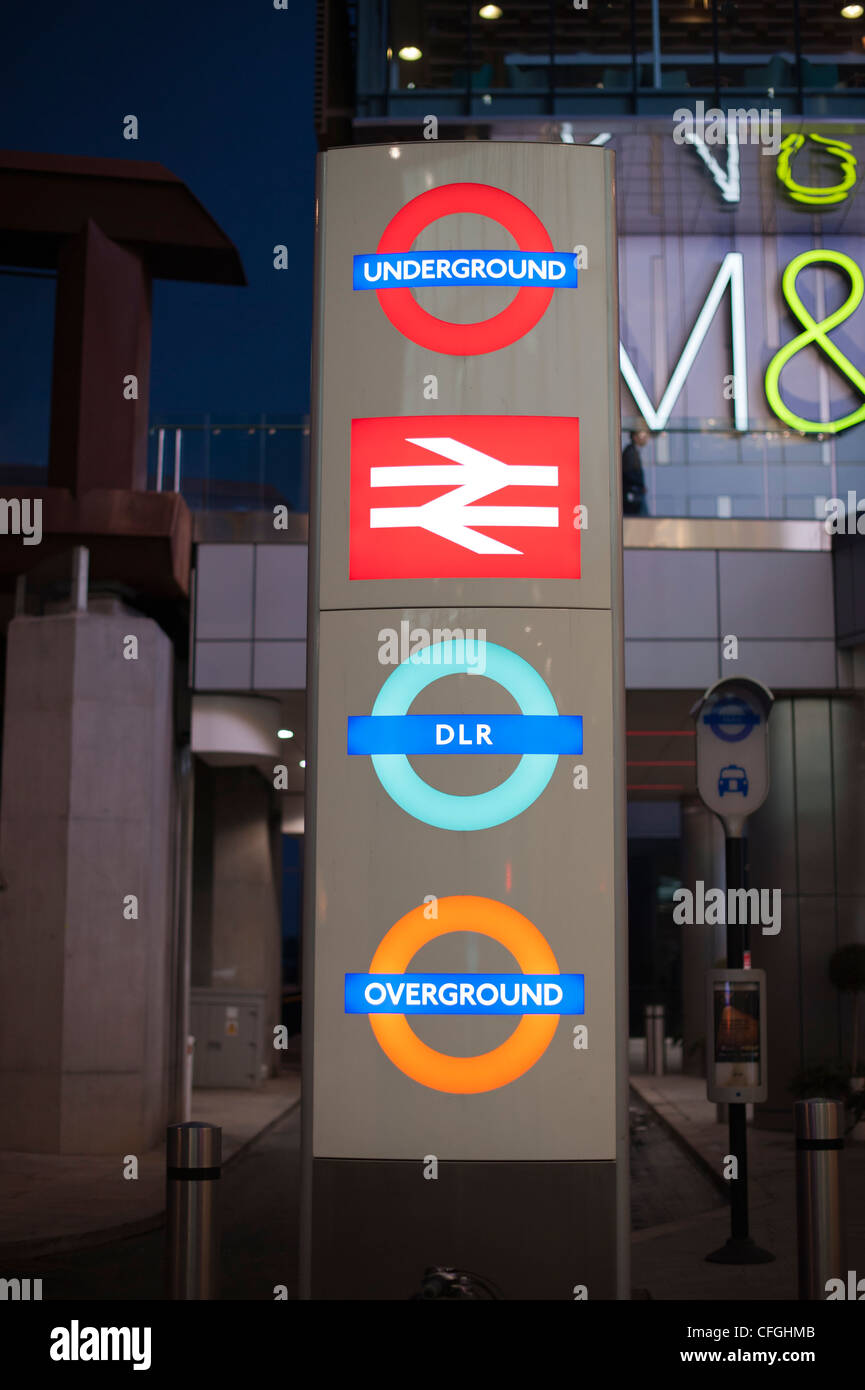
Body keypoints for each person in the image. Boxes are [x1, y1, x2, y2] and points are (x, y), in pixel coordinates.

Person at [622, 426, 649, 516]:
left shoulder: (634, 451)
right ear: (635, 437)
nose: (645, 438)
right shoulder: (630, 451)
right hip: (632, 494)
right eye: (642, 435)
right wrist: (640, 485)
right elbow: (628, 472)